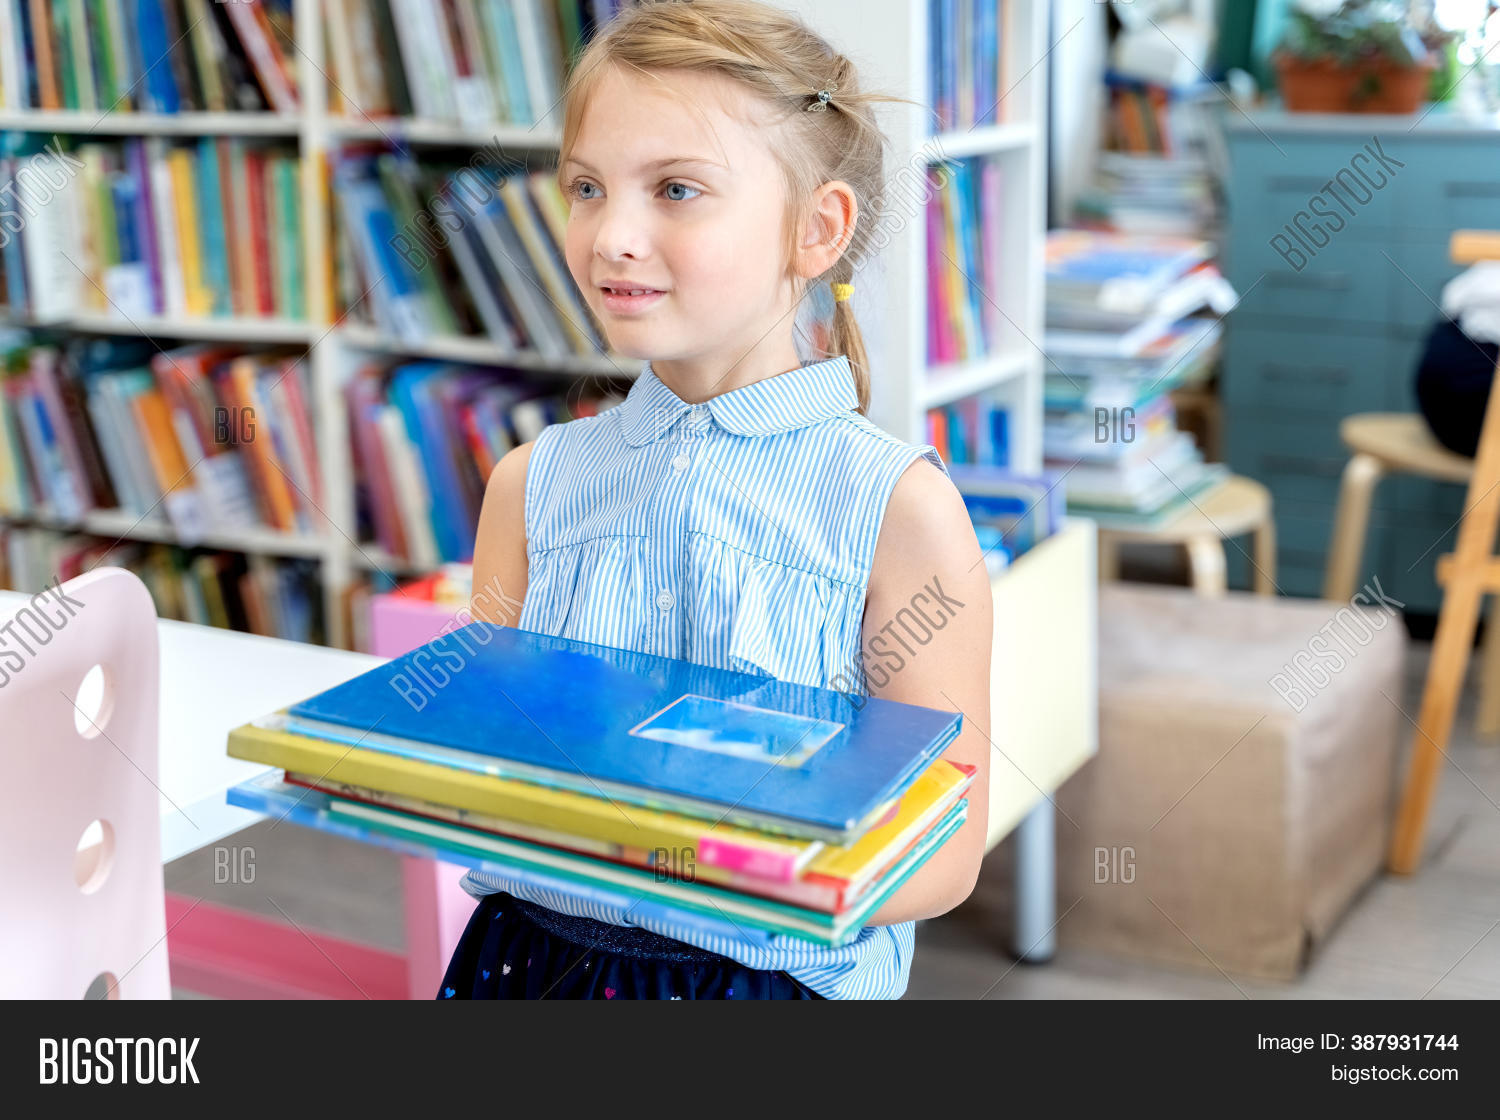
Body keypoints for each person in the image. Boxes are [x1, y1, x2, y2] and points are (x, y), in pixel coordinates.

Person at [443, 0, 993, 1000]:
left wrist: (690, 859)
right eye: (586, 187)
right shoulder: (532, 485)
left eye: (677, 189)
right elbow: (490, 763)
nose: (612, 236)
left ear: (816, 229)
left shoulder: (899, 512)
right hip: (526, 963)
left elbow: (943, 855)